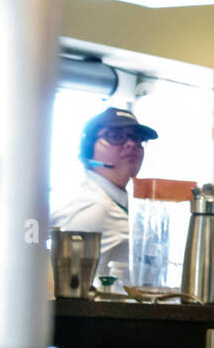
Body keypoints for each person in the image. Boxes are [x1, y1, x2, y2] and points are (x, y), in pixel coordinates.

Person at [51, 106, 158, 276]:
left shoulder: (118, 201)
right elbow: (70, 287)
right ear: (89, 149)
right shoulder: (92, 206)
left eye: (138, 138)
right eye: (116, 137)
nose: (131, 144)